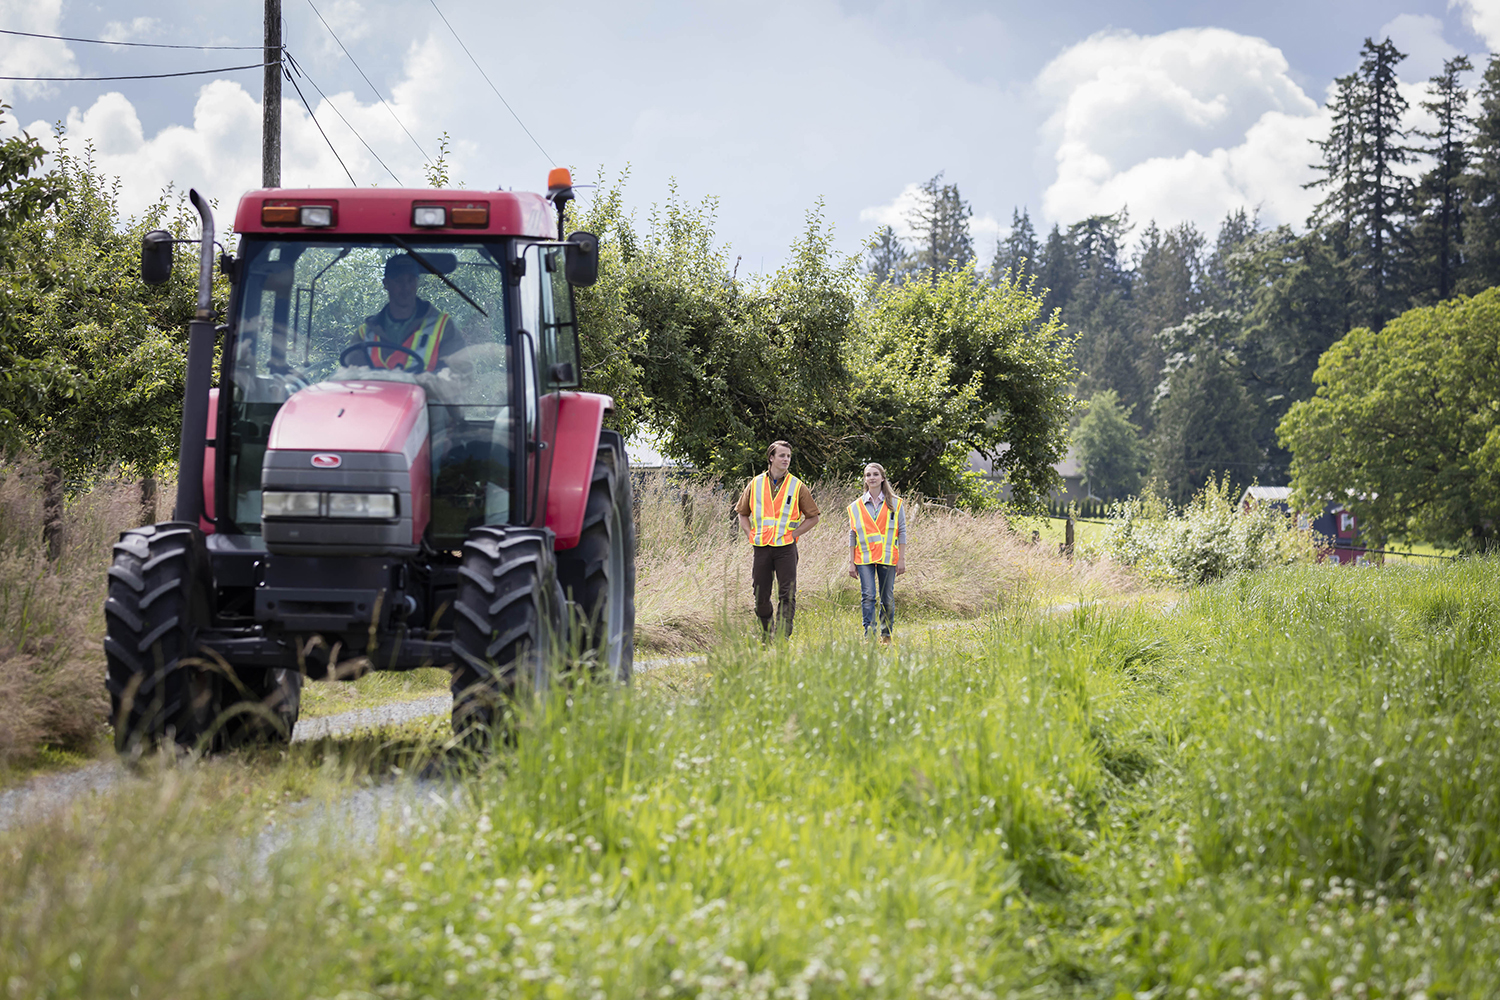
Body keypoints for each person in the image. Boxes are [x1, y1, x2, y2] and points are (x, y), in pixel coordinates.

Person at [736, 440, 820, 639]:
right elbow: (742, 513)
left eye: (789, 456)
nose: (786, 459)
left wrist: (794, 534)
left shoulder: (797, 486)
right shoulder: (755, 483)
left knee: (787, 594)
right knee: (760, 596)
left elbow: (813, 517)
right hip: (762, 547)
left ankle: (782, 637)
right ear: (771, 458)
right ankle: (767, 634)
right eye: (782, 455)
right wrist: (749, 534)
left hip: (786, 548)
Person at [353, 254, 465, 371]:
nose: (405, 287)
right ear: (386, 283)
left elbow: (459, 375)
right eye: (398, 280)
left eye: (410, 280)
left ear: (417, 283)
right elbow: (348, 376)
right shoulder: (365, 333)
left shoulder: (443, 328)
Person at [845, 463, 906, 644]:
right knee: (868, 595)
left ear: (882, 478)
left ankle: (886, 634)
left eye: (875, 474)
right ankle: (869, 635)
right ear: (865, 479)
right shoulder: (855, 507)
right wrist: (851, 562)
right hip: (864, 557)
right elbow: (852, 534)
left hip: (888, 556)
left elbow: (902, 530)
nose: (871, 477)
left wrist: (902, 559)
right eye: (868, 475)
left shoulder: (896, 503)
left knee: (887, 597)